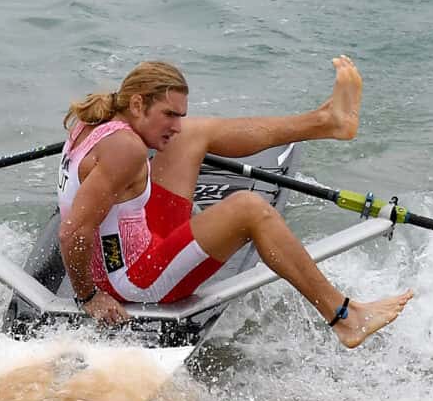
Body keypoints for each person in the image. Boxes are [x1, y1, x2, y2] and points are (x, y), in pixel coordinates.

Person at [57, 55, 414, 348]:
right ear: (137, 104)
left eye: (178, 114)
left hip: (133, 241)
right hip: (133, 281)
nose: (176, 125)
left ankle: (326, 122)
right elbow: (72, 232)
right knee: (249, 208)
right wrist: (88, 297)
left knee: (193, 134)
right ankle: (345, 318)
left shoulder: (94, 121)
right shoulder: (126, 149)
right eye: (169, 114)